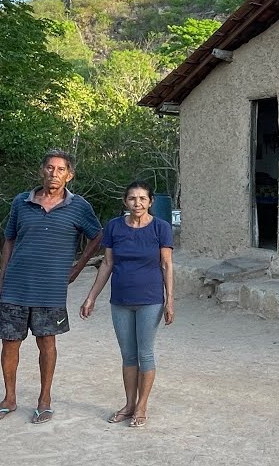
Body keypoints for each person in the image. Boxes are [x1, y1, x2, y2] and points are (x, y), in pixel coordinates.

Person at [0, 149, 104, 425]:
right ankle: (9, 399)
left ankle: (44, 400)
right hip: (16, 284)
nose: (54, 174)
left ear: (69, 175)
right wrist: (1, 279)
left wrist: (78, 267)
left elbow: (97, 235)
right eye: (50, 168)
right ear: (42, 171)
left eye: (61, 169)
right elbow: (9, 240)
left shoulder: (79, 207)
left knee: (47, 343)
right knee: (9, 343)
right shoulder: (21, 202)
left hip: (50, 288)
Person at [80, 180, 174, 428]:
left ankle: (142, 406)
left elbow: (167, 264)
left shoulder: (161, 228)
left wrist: (170, 300)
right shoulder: (114, 227)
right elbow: (107, 264)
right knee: (128, 355)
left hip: (150, 300)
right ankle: (129, 404)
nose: (137, 203)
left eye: (142, 198)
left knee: (145, 353)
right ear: (125, 202)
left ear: (150, 202)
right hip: (120, 300)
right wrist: (91, 297)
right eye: (132, 198)